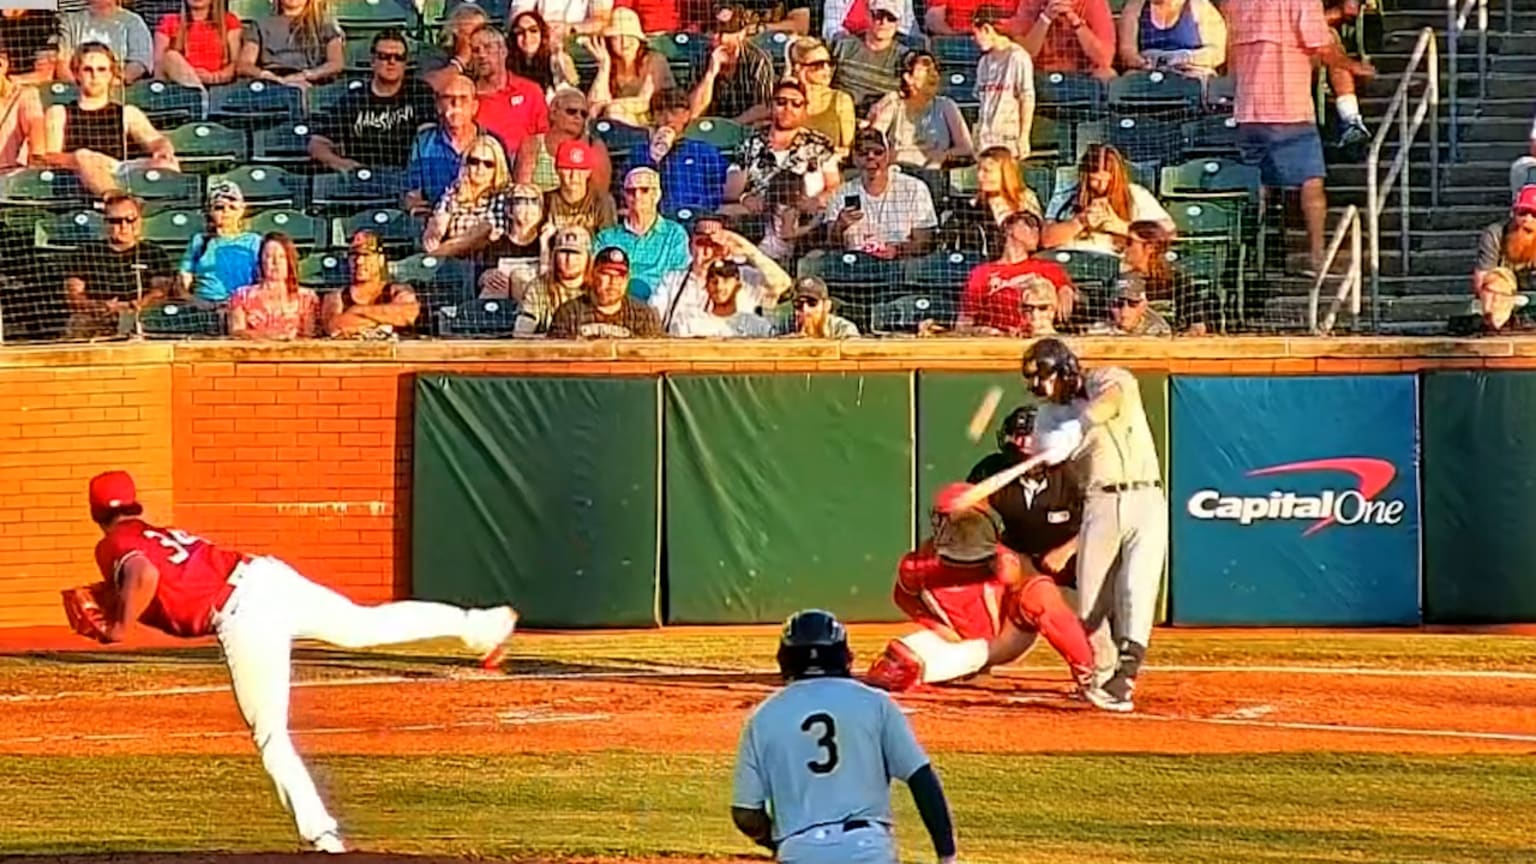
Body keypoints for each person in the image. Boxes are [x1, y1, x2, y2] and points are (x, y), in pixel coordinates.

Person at [79, 469, 517, 853]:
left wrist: (119, 626)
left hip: (244, 612)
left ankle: (322, 837)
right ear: (136, 501)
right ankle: (479, 624)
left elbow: (144, 575)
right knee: (362, 625)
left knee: (271, 734)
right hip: (266, 576)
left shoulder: (113, 543)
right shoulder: (163, 531)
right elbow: (160, 577)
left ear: (95, 512)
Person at [863, 424, 1097, 697]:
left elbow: (1030, 595)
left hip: (1003, 639)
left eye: (970, 524)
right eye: (957, 524)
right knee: (895, 666)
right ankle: (964, 667)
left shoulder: (1002, 561)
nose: (963, 532)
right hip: (957, 639)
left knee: (1039, 591)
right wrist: (937, 626)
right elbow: (904, 597)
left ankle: (1089, 674)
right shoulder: (916, 567)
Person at [731, 609, 959, 864]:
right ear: (843, 655)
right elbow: (921, 779)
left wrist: (779, 842)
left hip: (800, 849)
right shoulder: (875, 703)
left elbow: (746, 814)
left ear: (785, 659)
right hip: (867, 848)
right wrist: (946, 855)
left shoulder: (763, 717)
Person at [1021, 337, 1167, 713]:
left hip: (1147, 498)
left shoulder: (1109, 376)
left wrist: (1081, 423)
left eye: (1044, 378)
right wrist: (1053, 445)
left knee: (1136, 586)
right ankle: (1103, 672)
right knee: (1091, 602)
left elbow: (1113, 401)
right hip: (1100, 502)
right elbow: (1048, 450)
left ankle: (1126, 676)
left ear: (1064, 369)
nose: (1040, 388)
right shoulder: (1048, 415)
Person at [1224, 0, 1374, 276]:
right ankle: (1316, 255)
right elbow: (1321, 45)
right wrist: (1353, 66)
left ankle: (1253, 258)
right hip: (1289, 108)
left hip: (1247, 109)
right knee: (1311, 183)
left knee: (1258, 187)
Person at [39, 42, 179, 197]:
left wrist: (162, 148)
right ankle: (115, 201)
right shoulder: (59, 112)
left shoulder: (127, 113)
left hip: (120, 169)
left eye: (101, 70)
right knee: (84, 156)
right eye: (87, 70)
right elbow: (49, 157)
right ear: (76, 73)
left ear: (111, 74)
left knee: (166, 163)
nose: (95, 76)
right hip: (79, 175)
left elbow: (154, 140)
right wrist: (81, 159)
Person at [307, 30, 435, 171]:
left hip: (407, 177)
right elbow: (317, 143)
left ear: (405, 63)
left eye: (398, 57)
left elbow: (429, 139)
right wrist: (340, 163)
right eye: (384, 56)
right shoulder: (353, 100)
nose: (391, 62)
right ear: (373, 61)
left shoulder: (420, 93)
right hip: (363, 180)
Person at [64, 192, 176, 339]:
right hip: (98, 316)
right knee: (79, 323)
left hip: (141, 315)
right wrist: (99, 306)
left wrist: (138, 305)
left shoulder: (154, 253)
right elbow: (73, 295)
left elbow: (161, 291)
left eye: (130, 219)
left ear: (139, 221)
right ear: (105, 222)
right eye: (116, 221)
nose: (124, 226)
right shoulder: (85, 253)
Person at [1041, 143, 1175, 254]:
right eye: (1095, 180)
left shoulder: (1137, 195)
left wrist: (1122, 227)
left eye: (1108, 181)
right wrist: (1080, 222)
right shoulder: (1065, 195)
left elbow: (1169, 232)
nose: (1102, 187)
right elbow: (1046, 240)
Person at [824, 128, 937, 259]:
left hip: (902, 265)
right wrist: (840, 226)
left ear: (888, 155)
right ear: (854, 158)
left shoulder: (915, 189)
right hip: (856, 266)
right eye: (863, 153)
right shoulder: (840, 194)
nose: (871, 158)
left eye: (878, 153)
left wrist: (896, 250)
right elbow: (831, 245)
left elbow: (925, 242)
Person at [956, 209, 1071, 335]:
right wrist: (983, 331)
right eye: (1029, 223)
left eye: (1038, 228)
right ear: (1008, 228)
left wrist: (1065, 290)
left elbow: (1068, 297)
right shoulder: (982, 273)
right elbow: (963, 325)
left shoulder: (1048, 268)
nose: (1035, 230)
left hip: (1038, 336)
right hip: (998, 341)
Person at [592, 166, 690, 303]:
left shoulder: (674, 234)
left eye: (644, 190)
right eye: (630, 191)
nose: (637, 196)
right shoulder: (606, 238)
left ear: (657, 195)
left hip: (660, 306)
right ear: (624, 196)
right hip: (614, 305)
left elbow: (679, 279)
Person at [866, 50, 973, 171]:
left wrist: (942, 156)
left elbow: (966, 148)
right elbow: (872, 143)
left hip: (936, 172)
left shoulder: (946, 106)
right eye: (926, 69)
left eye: (935, 70)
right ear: (908, 77)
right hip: (899, 172)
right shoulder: (894, 105)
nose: (933, 75)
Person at [630, 87, 728, 215]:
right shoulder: (641, 152)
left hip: (700, 218)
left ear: (686, 115)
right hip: (656, 221)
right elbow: (629, 188)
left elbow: (719, 188)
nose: (668, 118)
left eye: (674, 112)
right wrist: (654, 158)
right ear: (653, 116)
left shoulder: (704, 151)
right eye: (660, 112)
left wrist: (704, 212)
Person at [405, 74, 491, 215]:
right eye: (447, 97)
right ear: (438, 105)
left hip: (480, 223)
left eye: (463, 98)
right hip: (434, 223)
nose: (456, 104)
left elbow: (501, 191)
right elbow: (413, 193)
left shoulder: (491, 142)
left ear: (474, 107)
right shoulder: (423, 143)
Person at [423, 133, 512, 260]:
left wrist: (439, 252)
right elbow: (439, 220)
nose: (480, 168)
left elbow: (488, 233)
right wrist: (432, 234)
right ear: (466, 163)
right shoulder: (454, 191)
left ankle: (433, 257)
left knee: (483, 228)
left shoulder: (504, 195)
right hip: (454, 263)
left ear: (497, 167)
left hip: (486, 261)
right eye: (474, 161)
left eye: (488, 164)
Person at [547, 245, 665, 338]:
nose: (613, 282)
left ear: (627, 279)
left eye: (620, 276)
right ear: (592, 275)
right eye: (606, 274)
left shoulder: (644, 316)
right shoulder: (569, 313)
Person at [322, 230, 421, 339]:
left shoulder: (398, 290)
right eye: (353, 255)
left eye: (366, 255)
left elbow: (407, 315)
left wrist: (357, 310)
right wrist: (386, 320)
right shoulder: (336, 297)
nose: (359, 261)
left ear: (380, 259)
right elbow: (335, 326)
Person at [585, 7, 674, 127]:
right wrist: (604, 66)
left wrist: (611, 105)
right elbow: (594, 103)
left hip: (653, 118)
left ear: (638, 39)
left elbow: (644, 102)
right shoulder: (611, 62)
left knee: (613, 112)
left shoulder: (654, 60)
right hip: (619, 117)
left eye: (630, 36)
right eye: (617, 38)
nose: (624, 43)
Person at [687, 5, 776, 123]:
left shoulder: (757, 60)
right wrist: (710, 74)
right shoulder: (701, 58)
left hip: (745, 129)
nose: (717, 38)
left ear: (741, 34)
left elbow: (763, 109)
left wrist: (730, 126)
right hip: (706, 130)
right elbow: (693, 113)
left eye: (725, 33)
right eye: (713, 31)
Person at [178, 180, 261, 303]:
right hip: (206, 305)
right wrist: (196, 302)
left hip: (244, 304)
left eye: (232, 207)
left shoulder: (254, 241)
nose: (226, 212)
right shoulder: (200, 241)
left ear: (242, 210)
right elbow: (184, 279)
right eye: (219, 207)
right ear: (210, 211)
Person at [470, 27, 549, 155]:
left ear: (503, 51)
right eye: (475, 51)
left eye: (488, 47)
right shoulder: (469, 97)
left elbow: (544, 135)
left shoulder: (530, 91)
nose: (482, 55)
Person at [515, 87, 612, 193]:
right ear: (553, 112)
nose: (578, 117)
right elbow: (523, 191)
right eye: (571, 111)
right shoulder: (533, 144)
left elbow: (599, 195)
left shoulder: (593, 146)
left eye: (583, 114)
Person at [228, 232, 319, 340]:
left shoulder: (307, 298)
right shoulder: (241, 296)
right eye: (269, 256)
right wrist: (269, 336)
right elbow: (237, 331)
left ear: (290, 261)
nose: (275, 262)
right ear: (261, 261)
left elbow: (308, 335)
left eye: (281, 257)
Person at [972, 6, 1035, 159]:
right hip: (985, 139)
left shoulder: (1018, 57)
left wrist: (1024, 137)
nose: (973, 39)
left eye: (975, 34)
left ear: (987, 29)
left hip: (1008, 139)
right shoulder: (983, 62)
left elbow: (1027, 98)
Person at [237, 0, 345, 88]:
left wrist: (306, 75)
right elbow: (244, 65)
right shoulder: (260, 25)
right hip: (271, 83)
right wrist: (269, 76)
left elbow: (336, 63)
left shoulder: (325, 25)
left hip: (310, 83)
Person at [1117, 0, 1227, 81]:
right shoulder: (1135, 7)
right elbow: (1127, 53)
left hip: (1191, 71)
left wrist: (1184, 58)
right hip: (1149, 70)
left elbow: (1217, 54)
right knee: (1130, 79)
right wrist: (1148, 62)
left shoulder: (1199, 6)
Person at [829, 0, 907, 113]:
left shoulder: (904, 58)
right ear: (868, 14)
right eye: (878, 15)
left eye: (891, 18)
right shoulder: (842, 46)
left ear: (898, 23)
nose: (883, 22)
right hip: (839, 115)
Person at [1008, 0, 1116, 82]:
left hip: (1081, 74)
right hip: (1038, 74)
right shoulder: (1030, 2)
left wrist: (1075, 22)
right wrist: (1046, 18)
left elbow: (1104, 59)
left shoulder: (1094, 3)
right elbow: (1023, 55)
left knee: (1107, 74)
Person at [512, 224, 591, 333]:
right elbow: (522, 332)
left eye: (576, 253)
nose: (569, 259)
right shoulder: (537, 288)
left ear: (588, 257)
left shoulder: (597, 289)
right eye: (563, 252)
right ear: (554, 255)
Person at [57, 0, 153, 84]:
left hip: (120, 87)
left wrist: (118, 81)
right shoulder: (71, 22)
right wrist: (78, 87)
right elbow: (63, 63)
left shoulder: (133, 21)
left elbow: (140, 62)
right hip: (79, 87)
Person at [153, 0, 242, 88]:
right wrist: (192, 76)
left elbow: (236, 64)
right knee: (170, 56)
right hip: (180, 88)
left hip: (220, 88)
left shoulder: (229, 21)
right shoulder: (169, 22)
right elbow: (159, 69)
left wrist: (213, 77)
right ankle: (198, 90)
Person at [541, 137, 618, 234]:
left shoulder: (602, 201)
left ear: (589, 172)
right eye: (568, 169)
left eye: (580, 170)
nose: (574, 176)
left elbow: (608, 241)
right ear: (557, 170)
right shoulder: (546, 200)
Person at [1474, 184, 1536, 297]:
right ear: (1514, 213)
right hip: (1502, 298)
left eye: (1535, 215)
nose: (1527, 219)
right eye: (1522, 213)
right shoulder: (1495, 235)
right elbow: (1482, 283)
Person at [507, 10, 578, 101]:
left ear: (542, 34)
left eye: (533, 30)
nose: (527, 36)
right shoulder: (507, 64)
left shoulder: (556, 60)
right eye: (520, 32)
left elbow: (570, 91)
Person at [0, 42, 46, 171]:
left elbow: (34, 124)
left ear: (2, 65)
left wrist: (36, 157)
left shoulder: (25, 95)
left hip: (11, 177)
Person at [1086, 272, 1172, 336]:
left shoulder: (1159, 332)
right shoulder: (1099, 331)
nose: (1124, 313)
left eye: (1132, 304)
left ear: (1144, 305)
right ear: (1109, 305)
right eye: (1118, 304)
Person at [778, 276, 858, 338]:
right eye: (799, 304)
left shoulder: (842, 328)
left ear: (826, 306)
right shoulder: (785, 327)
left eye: (812, 303)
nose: (805, 310)